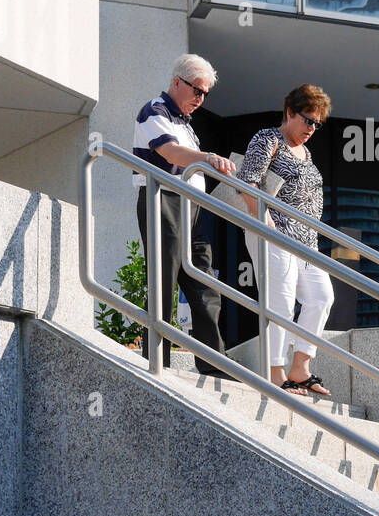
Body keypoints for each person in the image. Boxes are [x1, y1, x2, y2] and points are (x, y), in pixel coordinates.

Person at [133, 54, 237, 376]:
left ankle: (213, 363)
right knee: (163, 283)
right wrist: (208, 158)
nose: (200, 99)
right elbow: (170, 152)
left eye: (206, 94)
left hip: (191, 208)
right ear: (177, 82)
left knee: (204, 284)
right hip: (163, 200)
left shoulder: (187, 125)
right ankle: (158, 364)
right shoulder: (154, 110)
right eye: (197, 91)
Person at [236, 85, 334, 396]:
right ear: (290, 112)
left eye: (318, 124)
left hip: (306, 242)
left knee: (321, 297)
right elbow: (246, 180)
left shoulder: (306, 151)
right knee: (281, 301)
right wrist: (265, 221)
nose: (312, 129)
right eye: (308, 121)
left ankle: (300, 367)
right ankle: (275, 373)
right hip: (274, 234)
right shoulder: (268, 139)